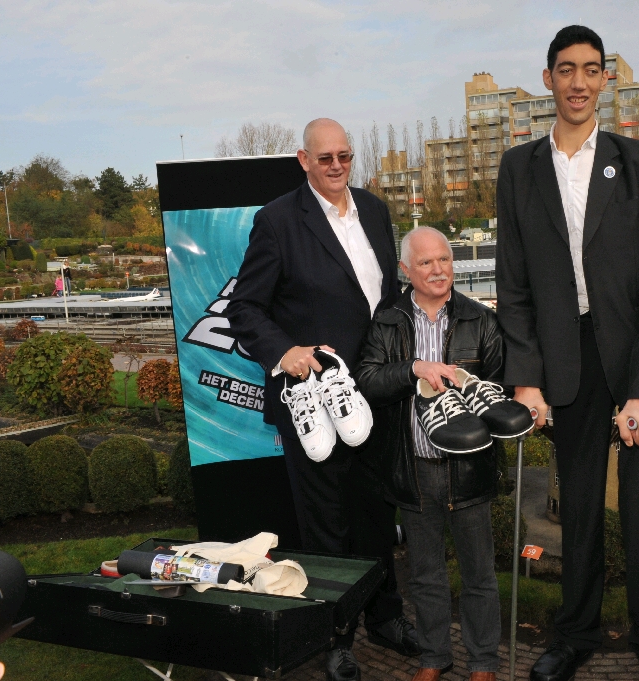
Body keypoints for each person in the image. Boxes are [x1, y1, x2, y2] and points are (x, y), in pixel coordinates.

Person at [495, 25, 639, 681]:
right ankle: (573, 635)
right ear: (548, 78)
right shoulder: (518, 167)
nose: (578, 81)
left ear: (606, 78)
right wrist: (525, 379)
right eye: (565, 69)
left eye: (591, 69)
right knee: (577, 511)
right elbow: (513, 285)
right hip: (565, 361)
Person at [226, 118, 420, 681]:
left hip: (374, 399)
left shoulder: (375, 211)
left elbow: (384, 301)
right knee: (327, 528)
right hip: (314, 404)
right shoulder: (279, 220)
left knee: (378, 522)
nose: (337, 166)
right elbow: (245, 310)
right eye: (325, 158)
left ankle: (385, 617)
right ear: (303, 160)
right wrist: (284, 351)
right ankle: (336, 637)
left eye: (345, 156)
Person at [356, 226, 502, 681]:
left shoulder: (480, 319)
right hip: (413, 470)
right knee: (425, 577)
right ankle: (434, 658)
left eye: (444, 259)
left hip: (469, 468)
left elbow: (501, 389)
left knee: (479, 576)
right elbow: (367, 381)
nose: (439, 269)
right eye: (426, 262)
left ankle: (482, 664)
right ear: (405, 270)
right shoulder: (387, 320)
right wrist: (413, 369)